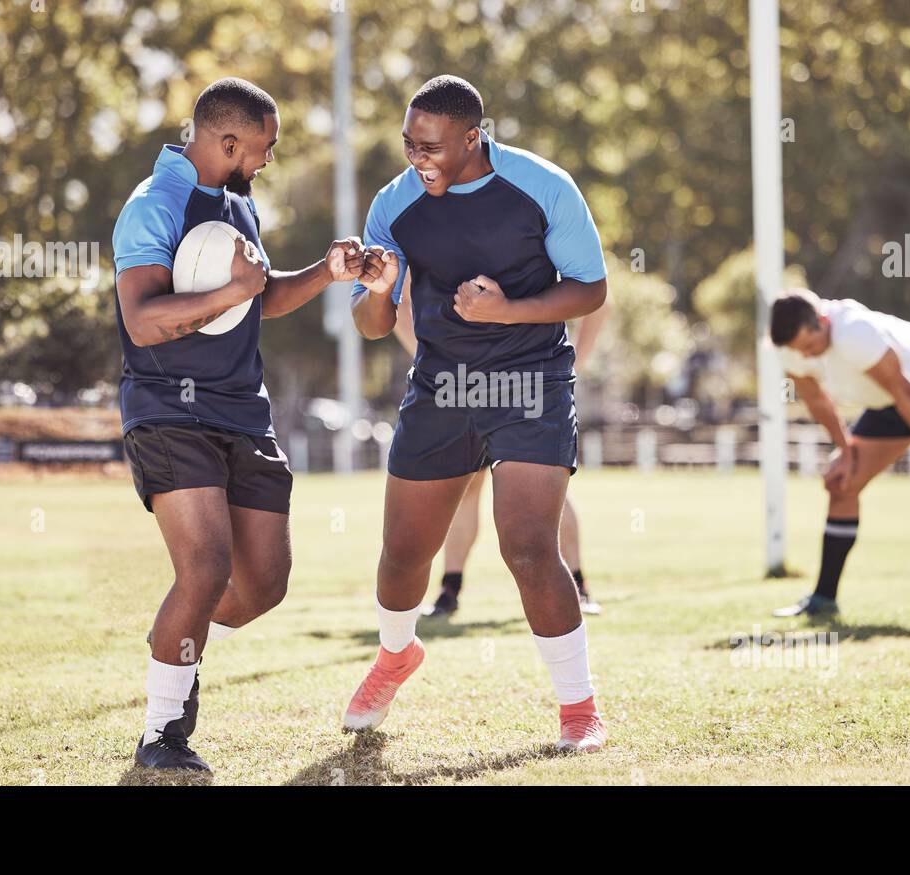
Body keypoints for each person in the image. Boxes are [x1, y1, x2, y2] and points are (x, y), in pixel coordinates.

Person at [111, 77, 375, 772]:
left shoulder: (235, 205)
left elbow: (255, 302)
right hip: (169, 406)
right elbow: (143, 320)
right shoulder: (153, 204)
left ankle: (179, 628)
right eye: (261, 150)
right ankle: (162, 732)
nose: (265, 162)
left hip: (243, 411)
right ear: (226, 142)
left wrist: (326, 269)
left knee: (263, 584)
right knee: (204, 565)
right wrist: (232, 287)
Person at [345, 75, 610, 751]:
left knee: (526, 544)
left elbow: (591, 288)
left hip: (532, 381)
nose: (417, 158)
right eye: (408, 143)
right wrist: (376, 291)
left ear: (473, 137)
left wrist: (508, 310)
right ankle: (396, 652)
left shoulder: (543, 186)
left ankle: (578, 708)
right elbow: (373, 323)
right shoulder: (394, 205)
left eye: (430, 146)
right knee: (404, 553)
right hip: (442, 385)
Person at [768, 288, 910, 628]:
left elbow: (905, 389)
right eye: (801, 351)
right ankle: (823, 598)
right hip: (890, 402)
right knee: (843, 484)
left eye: (812, 345)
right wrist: (845, 451)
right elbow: (817, 401)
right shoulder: (789, 349)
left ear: (823, 320)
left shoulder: (855, 331)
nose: (808, 355)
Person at [390, 275, 610, 617]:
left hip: (526, 384)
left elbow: (598, 299)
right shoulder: (433, 238)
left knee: (543, 489)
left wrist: (570, 365)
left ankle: (577, 585)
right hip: (462, 386)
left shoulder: (541, 236)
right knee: (466, 488)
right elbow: (399, 303)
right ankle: (450, 589)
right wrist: (431, 362)